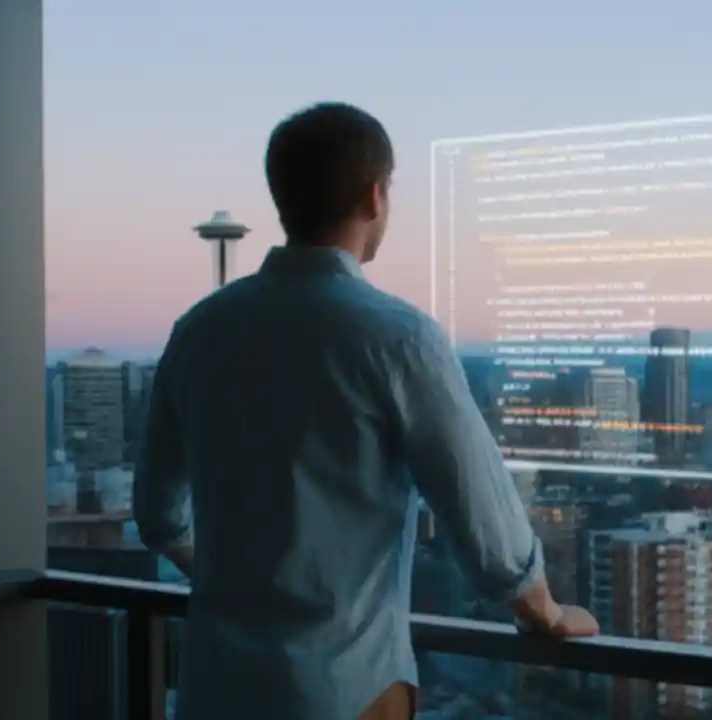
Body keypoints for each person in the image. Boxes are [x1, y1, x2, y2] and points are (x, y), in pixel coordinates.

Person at [133, 102, 597, 720]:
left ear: (283, 197)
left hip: (218, 687)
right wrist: (545, 611)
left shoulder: (199, 331)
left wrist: (232, 577)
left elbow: (157, 516)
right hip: (344, 688)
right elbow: (480, 511)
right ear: (375, 196)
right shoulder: (398, 339)